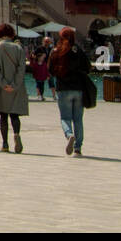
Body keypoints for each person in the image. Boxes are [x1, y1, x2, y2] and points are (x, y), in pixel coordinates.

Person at [49, 27, 92, 156]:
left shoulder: (56, 51)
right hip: (78, 88)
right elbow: (88, 67)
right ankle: (78, 148)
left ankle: (69, 135)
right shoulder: (78, 50)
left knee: (65, 117)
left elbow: (50, 70)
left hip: (63, 88)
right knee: (78, 119)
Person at [0, 23, 28, 153]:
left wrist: (3, 83)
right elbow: (22, 68)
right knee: (15, 114)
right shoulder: (19, 48)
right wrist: (15, 84)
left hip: (1, 87)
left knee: (3, 115)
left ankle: (5, 144)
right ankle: (16, 134)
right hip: (16, 87)